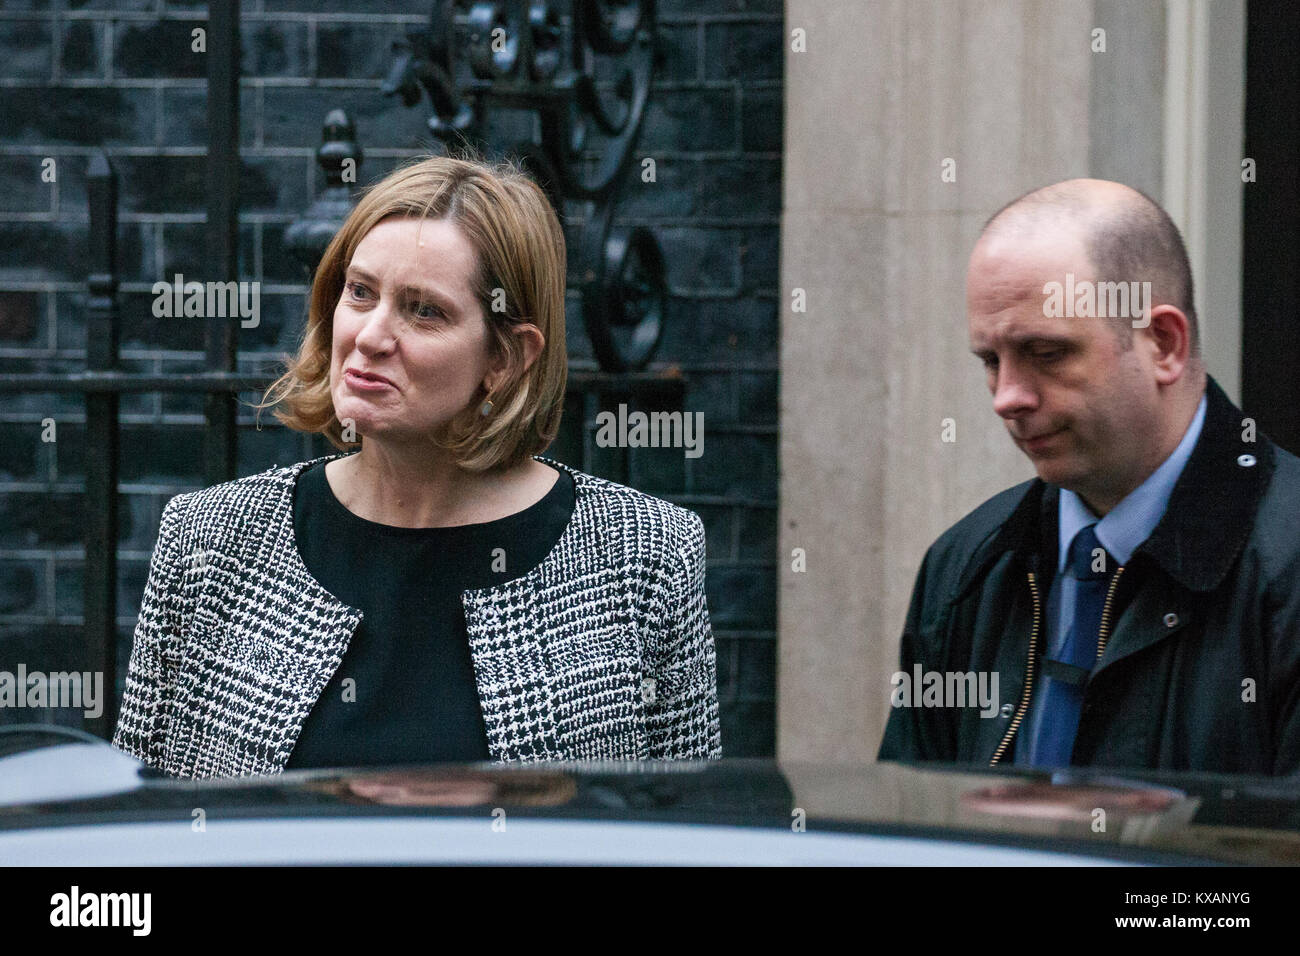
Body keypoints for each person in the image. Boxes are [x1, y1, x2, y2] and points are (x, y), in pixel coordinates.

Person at [113, 155, 721, 779]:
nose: (371, 335)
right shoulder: (209, 538)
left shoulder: (644, 554)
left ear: (507, 357)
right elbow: (137, 826)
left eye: (423, 310)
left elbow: (683, 833)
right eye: (360, 292)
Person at [879, 178, 1300, 774]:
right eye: (991, 361)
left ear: (1163, 343)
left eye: (1047, 353)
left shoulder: (1285, 568)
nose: (1007, 397)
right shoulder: (965, 567)